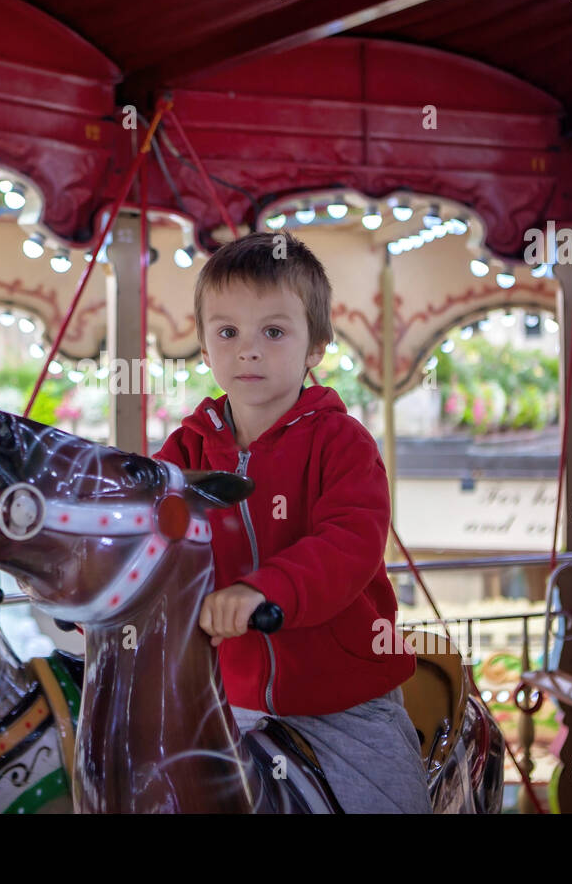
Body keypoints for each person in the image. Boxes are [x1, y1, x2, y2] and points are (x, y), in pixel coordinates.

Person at [152, 230, 431, 813]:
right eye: (227, 332)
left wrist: (262, 590)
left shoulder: (342, 443)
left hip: (342, 700)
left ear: (315, 347)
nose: (248, 350)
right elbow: (142, 531)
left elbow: (348, 544)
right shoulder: (184, 453)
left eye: (273, 332)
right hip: (222, 697)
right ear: (205, 349)